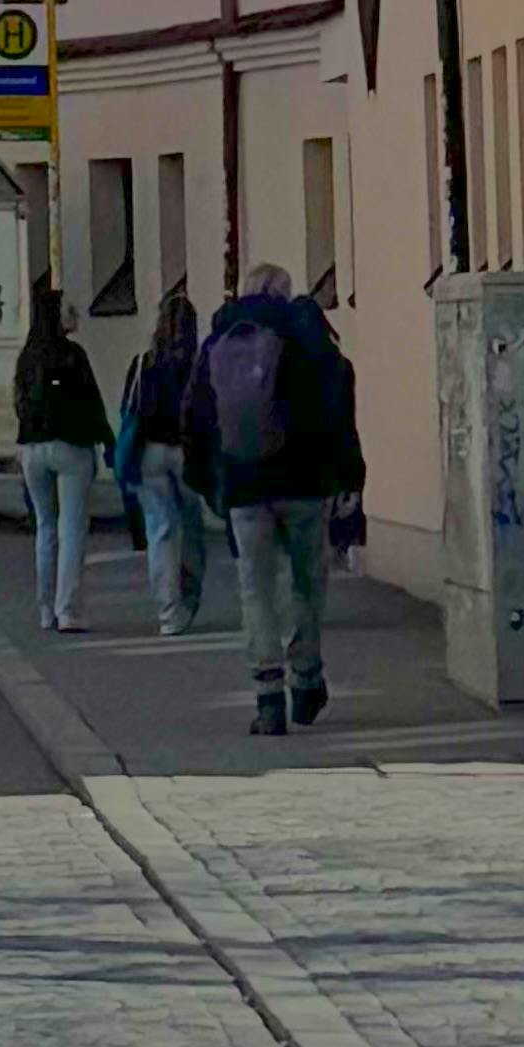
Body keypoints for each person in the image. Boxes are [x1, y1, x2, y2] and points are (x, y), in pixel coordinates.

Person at [183, 261, 363, 737]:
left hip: (244, 487)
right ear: (285, 294)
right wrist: (349, 476)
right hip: (306, 485)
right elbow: (337, 407)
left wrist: (209, 483)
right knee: (306, 585)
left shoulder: (221, 339)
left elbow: (195, 415)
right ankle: (306, 679)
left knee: (255, 590)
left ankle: (267, 699)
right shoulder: (306, 337)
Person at [115, 293, 210, 636]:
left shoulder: (144, 363)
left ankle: (168, 611)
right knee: (193, 529)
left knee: (161, 530)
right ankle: (189, 595)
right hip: (185, 452)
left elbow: (129, 410)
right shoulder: (198, 364)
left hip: (150, 453)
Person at [13, 292, 108, 635]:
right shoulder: (72, 356)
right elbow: (91, 401)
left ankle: (44, 609)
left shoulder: (27, 358)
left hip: (32, 449)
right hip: (71, 448)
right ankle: (67, 609)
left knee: (45, 527)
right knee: (72, 529)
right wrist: (106, 440)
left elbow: (20, 402)